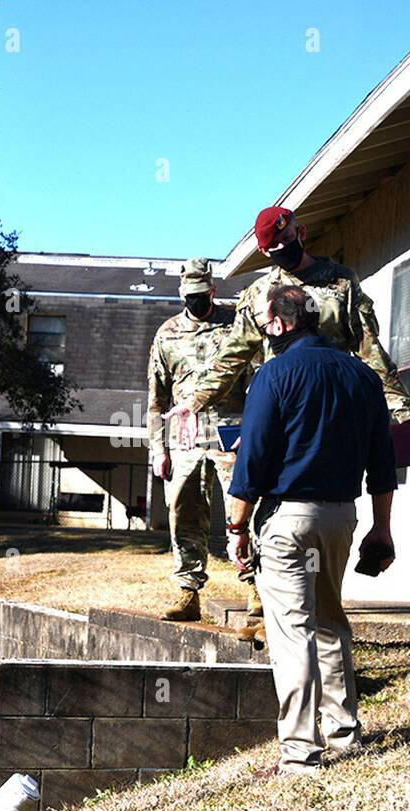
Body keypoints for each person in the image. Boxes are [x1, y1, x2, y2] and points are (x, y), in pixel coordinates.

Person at [226, 284, 398, 774]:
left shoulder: (273, 374)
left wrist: (237, 526)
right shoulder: (363, 377)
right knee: (329, 622)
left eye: (262, 321)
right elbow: (383, 463)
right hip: (342, 516)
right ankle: (344, 732)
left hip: (287, 519)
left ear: (280, 324)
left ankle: (300, 751)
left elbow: (253, 461)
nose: (261, 329)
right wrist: (382, 528)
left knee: (291, 632)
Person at [168, 205, 410, 450]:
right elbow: (232, 357)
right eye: (274, 245)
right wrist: (194, 401)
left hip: (331, 404)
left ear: (300, 233)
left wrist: (400, 406)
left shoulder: (340, 282)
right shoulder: (258, 295)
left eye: (287, 238)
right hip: (282, 408)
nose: (283, 247)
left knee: (329, 487)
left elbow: (368, 347)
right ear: (264, 251)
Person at [147, 257, 260, 622]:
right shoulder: (166, 334)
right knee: (183, 512)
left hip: (231, 432)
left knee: (242, 508)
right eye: (188, 296)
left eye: (200, 294)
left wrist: (255, 430)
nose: (194, 302)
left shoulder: (235, 326)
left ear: (212, 290)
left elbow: (258, 382)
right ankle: (187, 591)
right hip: (184, 436)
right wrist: (158, 448)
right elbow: (156, 400)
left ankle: (255, 585)